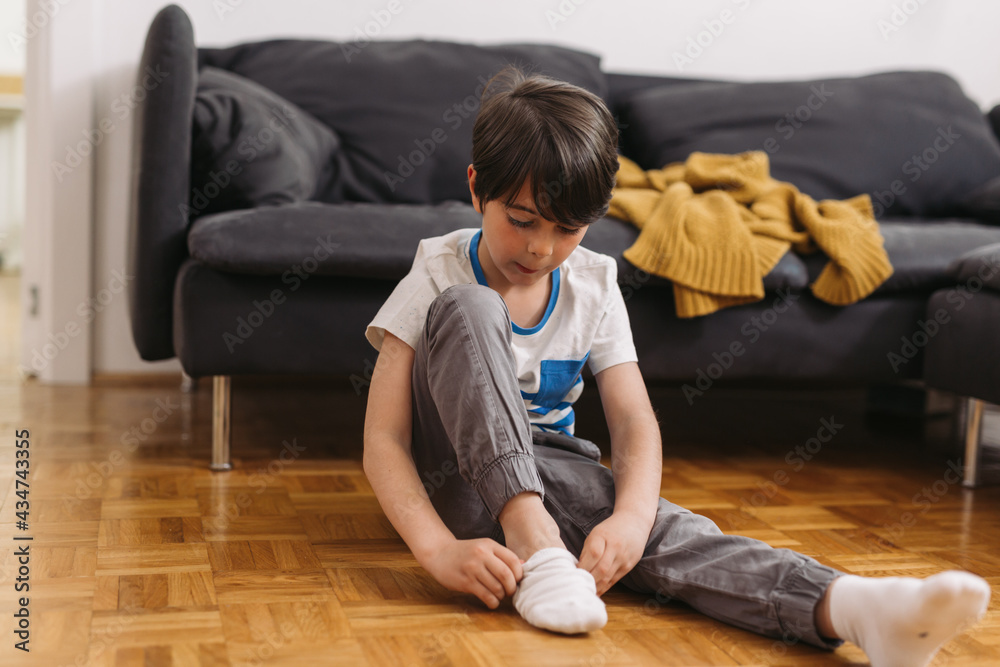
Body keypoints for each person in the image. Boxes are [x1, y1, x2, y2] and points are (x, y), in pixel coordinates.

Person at [362, 65, 991, 666]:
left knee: (662, 530)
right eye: (521, 220)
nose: (540, 247)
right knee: (471, 307)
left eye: (568, 228)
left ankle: (851, 609)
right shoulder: (439, 266)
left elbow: (633, 421)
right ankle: (537, 545)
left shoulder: (595, 281)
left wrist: (632, 521)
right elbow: (384, 440)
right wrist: (437, 550)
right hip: (452, 481)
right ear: (476, 188)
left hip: (552, 470)